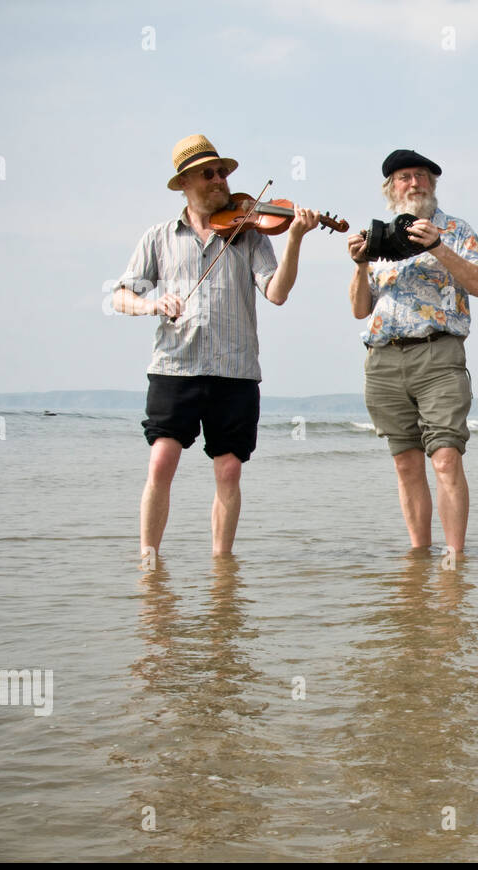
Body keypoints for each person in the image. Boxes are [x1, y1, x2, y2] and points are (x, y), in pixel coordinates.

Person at [113, 134, 319, 560]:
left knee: (228, 470)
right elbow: (119, 297)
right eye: (208, 173)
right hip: (175, 367)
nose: (219, 179)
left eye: (222, 171)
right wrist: (152, 303)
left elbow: (277, 293)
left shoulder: (250, 235)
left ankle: (221, 566)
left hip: (235, 371)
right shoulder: (158, 237)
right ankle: (149, 560)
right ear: (185, 182)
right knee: (160, 462)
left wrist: (295, 238)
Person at [347, 149, 478, 555]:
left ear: (433, 183)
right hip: (383, 359)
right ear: (391, 188)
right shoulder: (378, 235)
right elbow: (360, 308)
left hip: (439, 355)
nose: (413, 183)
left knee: (445, 458)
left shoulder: (457, 230)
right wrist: (360, 265)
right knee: (406, 464)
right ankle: (419, 557)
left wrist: (439, 247)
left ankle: (454, 560)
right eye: (404, 177)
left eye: (421, 176)